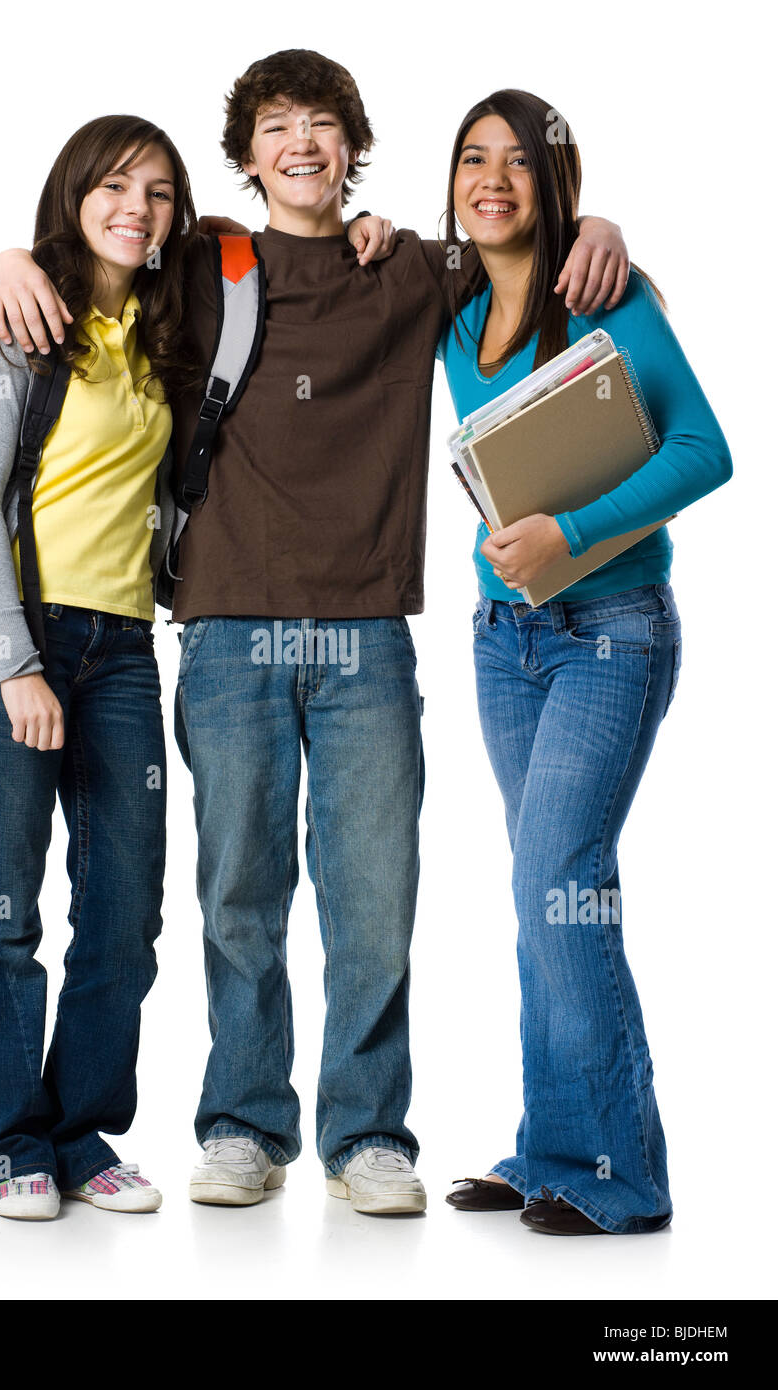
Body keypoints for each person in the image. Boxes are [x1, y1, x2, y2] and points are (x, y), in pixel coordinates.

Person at [0, 50, 630, 1215]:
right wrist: (8, 256)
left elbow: (521, 243)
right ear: (246, 154)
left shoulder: (415, 270)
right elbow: (94, 249)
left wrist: (607, 225)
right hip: (225, 626)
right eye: (277, 125)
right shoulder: (200, 261)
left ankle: (369, 1134)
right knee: (238, 893)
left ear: (352, 148)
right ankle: (241, 1125)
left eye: (323, 125)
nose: (301, 143)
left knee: (374, 894)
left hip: (367, 635)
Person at [438, 89, 732, 1234]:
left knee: (563, 883)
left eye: (519, 162)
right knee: (539, 894)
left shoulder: (603, 293)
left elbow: (706, 451)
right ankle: (552, 1148)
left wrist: (572, 534)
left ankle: (629, 1171)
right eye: (472, 159)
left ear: (557, 184)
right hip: (505, 640)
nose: (492, 178)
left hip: (612, 633)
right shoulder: (457, 310)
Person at [0, 114, 199, 1219]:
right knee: (4, 902)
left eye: (161, 193)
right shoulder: (25, 316)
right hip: (10, 637)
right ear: (76, 193)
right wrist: (16, 663)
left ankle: (81, 1129)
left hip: (124, 646)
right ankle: (9, 1141)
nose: (138, 207)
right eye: (116, 186)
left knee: (126, 903)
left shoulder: (166, 330)